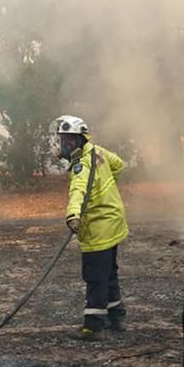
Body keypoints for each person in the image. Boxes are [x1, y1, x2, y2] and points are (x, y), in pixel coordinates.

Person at [50, 115, 129, 341]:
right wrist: (105, 190)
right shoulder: (98, 152)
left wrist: (73, 216)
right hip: (113, 222)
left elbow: (78, 191)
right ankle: (117, 318)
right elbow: (119, 165)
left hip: (98, 229)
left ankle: (93, 327)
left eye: (68, 140)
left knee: (95, 277)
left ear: (79, 140)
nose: (64, 145)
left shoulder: (81, 166)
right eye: (62, 140)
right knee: (109, 273)